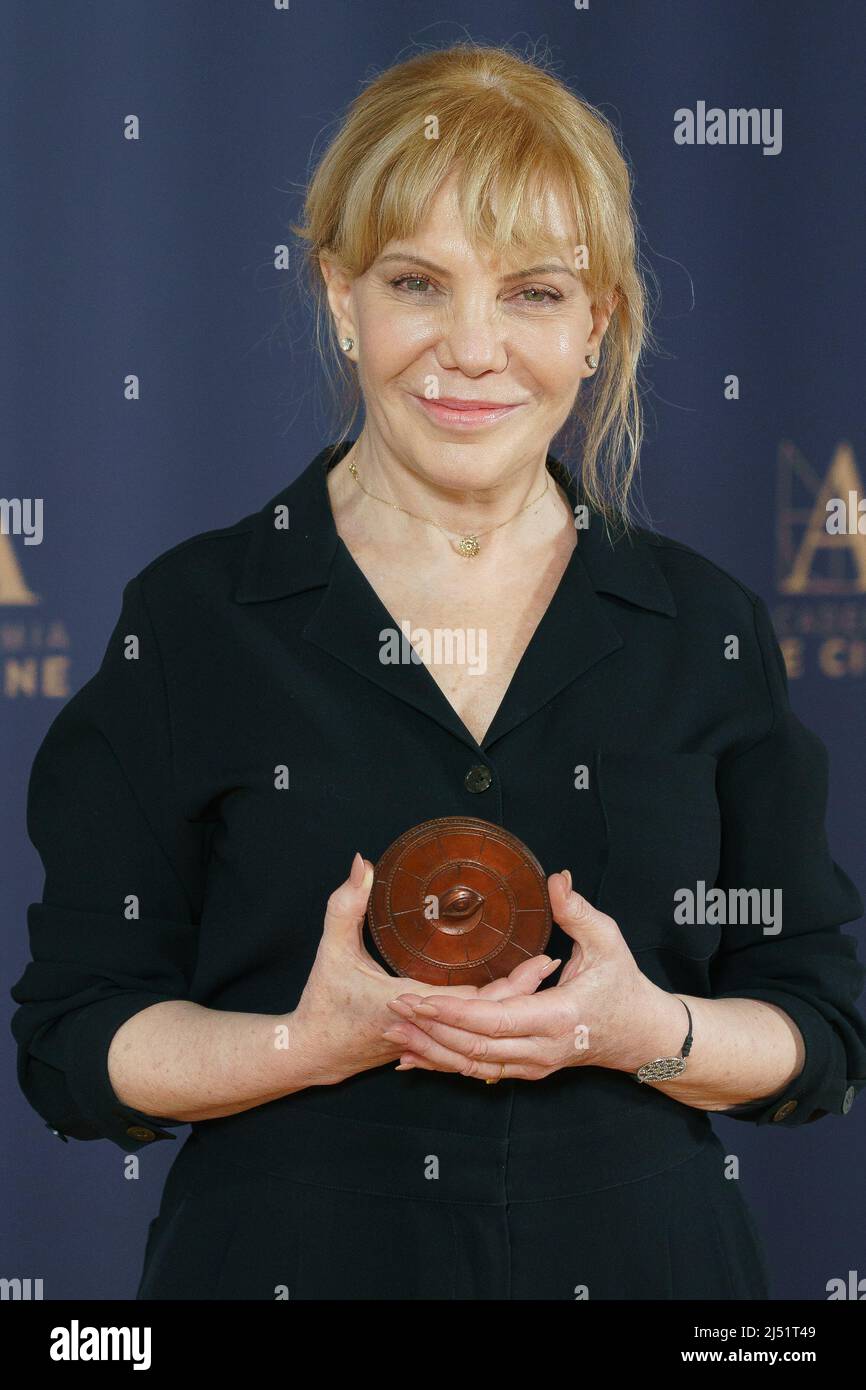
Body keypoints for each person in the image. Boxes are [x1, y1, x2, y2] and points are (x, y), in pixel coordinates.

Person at [11, 42, 866, 1301]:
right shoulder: (194, 617)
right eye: (418, 282)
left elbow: (818, 1033)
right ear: (341, 297)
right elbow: (76, 1037)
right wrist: (309, 1044)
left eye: (532, 293)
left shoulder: (704, 626)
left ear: (596, 326)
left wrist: (642, 1034)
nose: (472, 349)